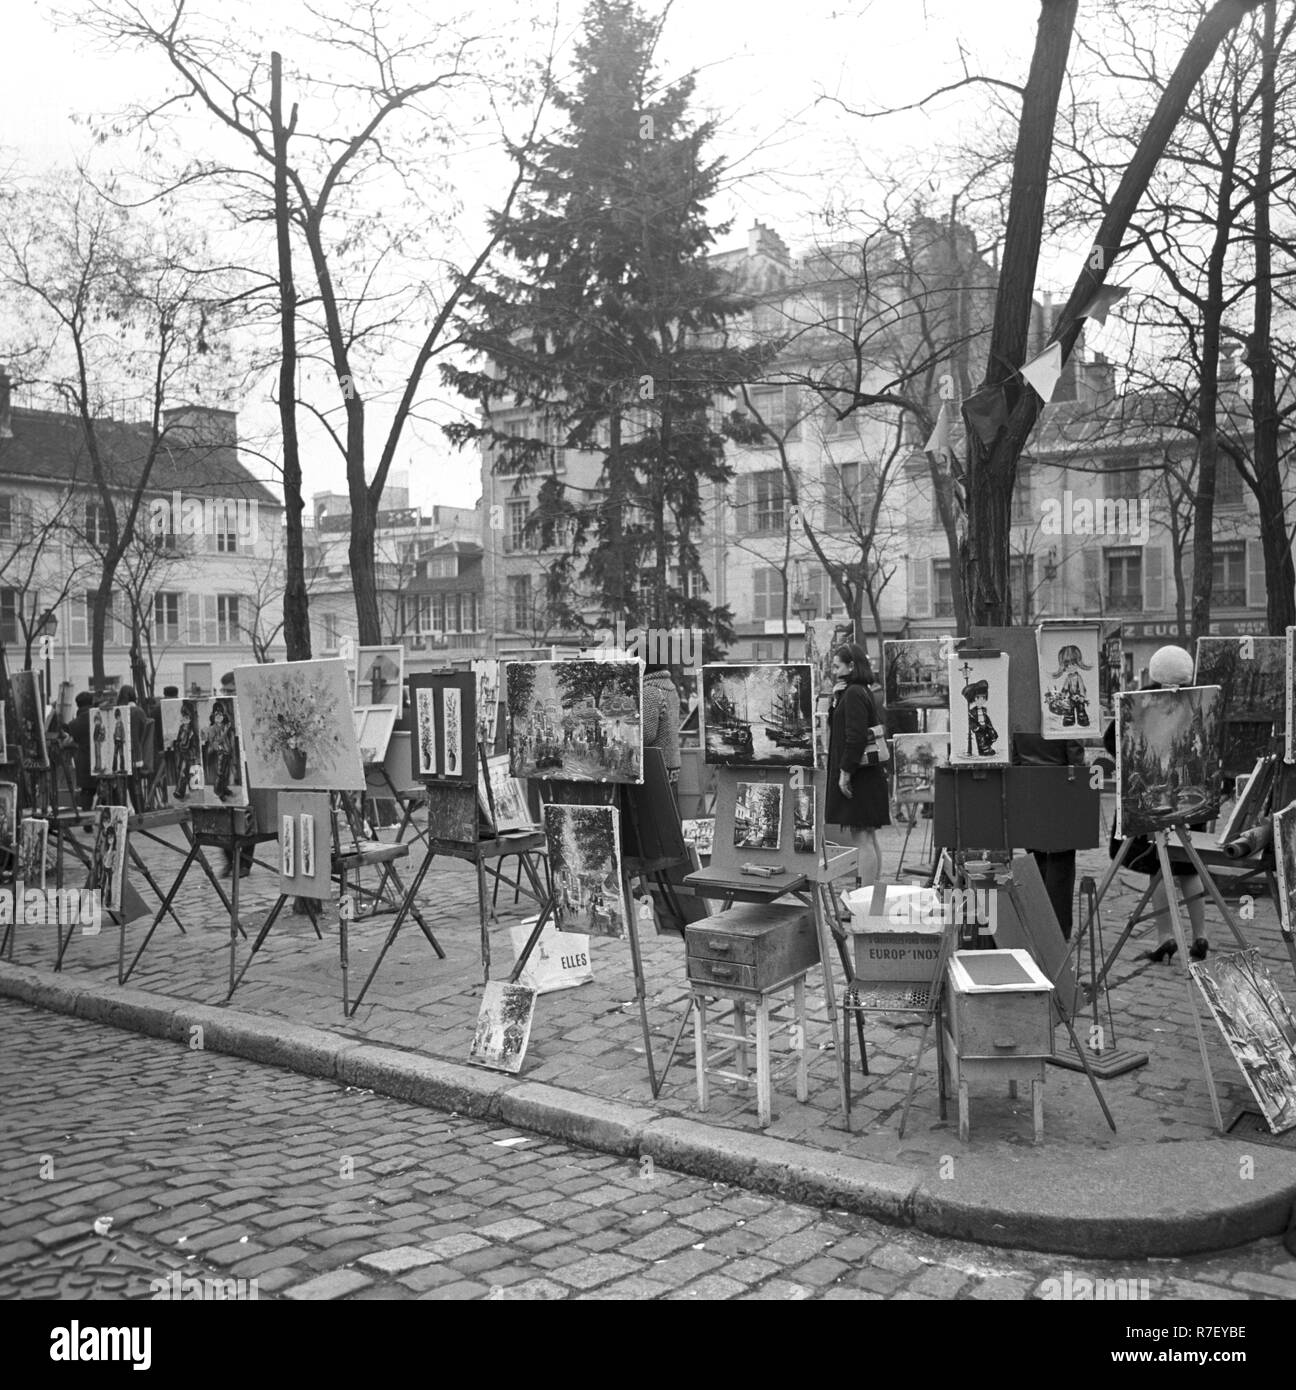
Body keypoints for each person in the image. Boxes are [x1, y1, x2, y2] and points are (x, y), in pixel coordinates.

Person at [1105, 645, 1209, 962]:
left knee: (1159, 867)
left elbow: (1113, 742)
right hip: (1191, 797)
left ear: (1154, 671)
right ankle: (1200, 935)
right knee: (1189, 867)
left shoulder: (1140, 701)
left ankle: (1165, 937)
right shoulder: (1200, 698)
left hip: (1153, 798)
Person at [825, 642, 889, 888]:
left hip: (859, 776)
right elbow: (843, 728)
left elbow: (854, 736)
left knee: (861, 838)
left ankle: (865, 899)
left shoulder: (853, 693)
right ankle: (872, 899)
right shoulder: (860, 691)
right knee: (868, 837)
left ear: (851, 666)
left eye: (836, 665)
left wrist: (845, 772)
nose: (834, 670)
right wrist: (835, 699)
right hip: (868, 774)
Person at [1012, 731, 1086, 940]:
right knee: (1060, 864)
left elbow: (1015, 757)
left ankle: (1038, 923)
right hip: (1060, 787)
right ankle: (1057, 931)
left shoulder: (1019, 710)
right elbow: (1075, 756)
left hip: (1029, 787)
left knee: (1037, 858)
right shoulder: (1061, 710)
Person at [641, 663, 682, 789]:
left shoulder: (650, 691)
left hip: (655, 767)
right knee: (669, 807)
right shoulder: (670, 688)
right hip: (671, 763)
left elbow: (646, 735)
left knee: (651, 808)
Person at [65, 692, 96, 813]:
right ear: (91, 702)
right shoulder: (99, 716)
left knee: (87, 791)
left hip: (84, 760)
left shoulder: (74, 724)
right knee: (106, 789)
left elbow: (70, 741)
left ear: (77, 705)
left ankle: (87, 820)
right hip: (102, 758)